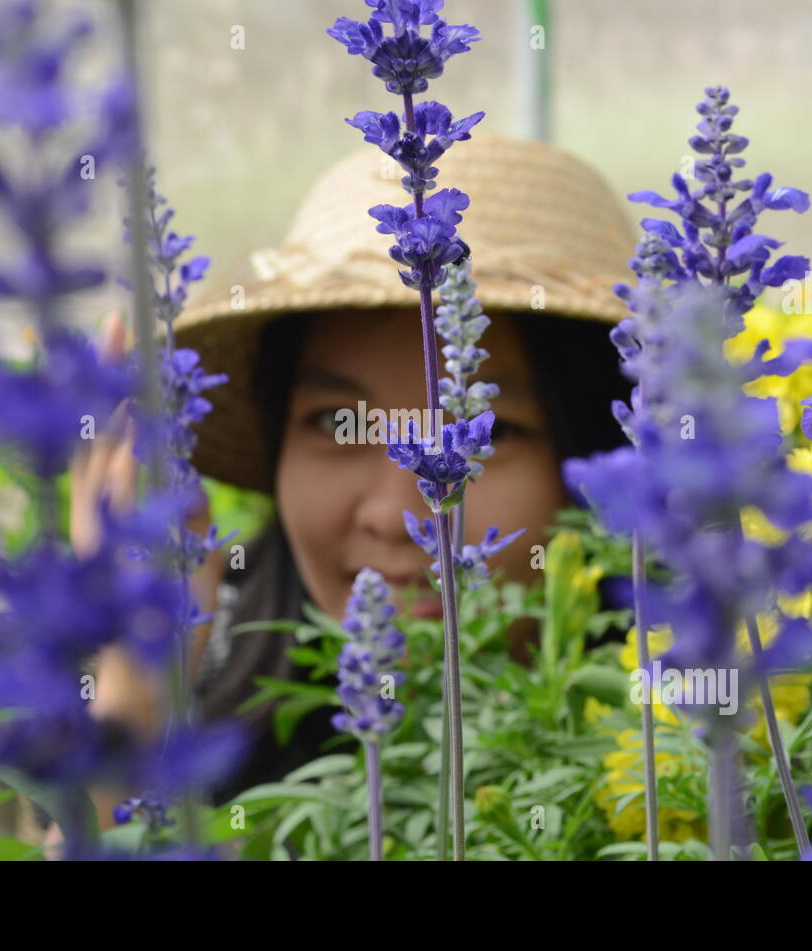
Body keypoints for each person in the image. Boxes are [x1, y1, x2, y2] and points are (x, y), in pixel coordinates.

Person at [69, 132, 639, 819]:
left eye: (489, 430)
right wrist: (137, 692)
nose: (396, 511)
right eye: (340, 422)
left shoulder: (708, 757)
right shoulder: (217, 741)